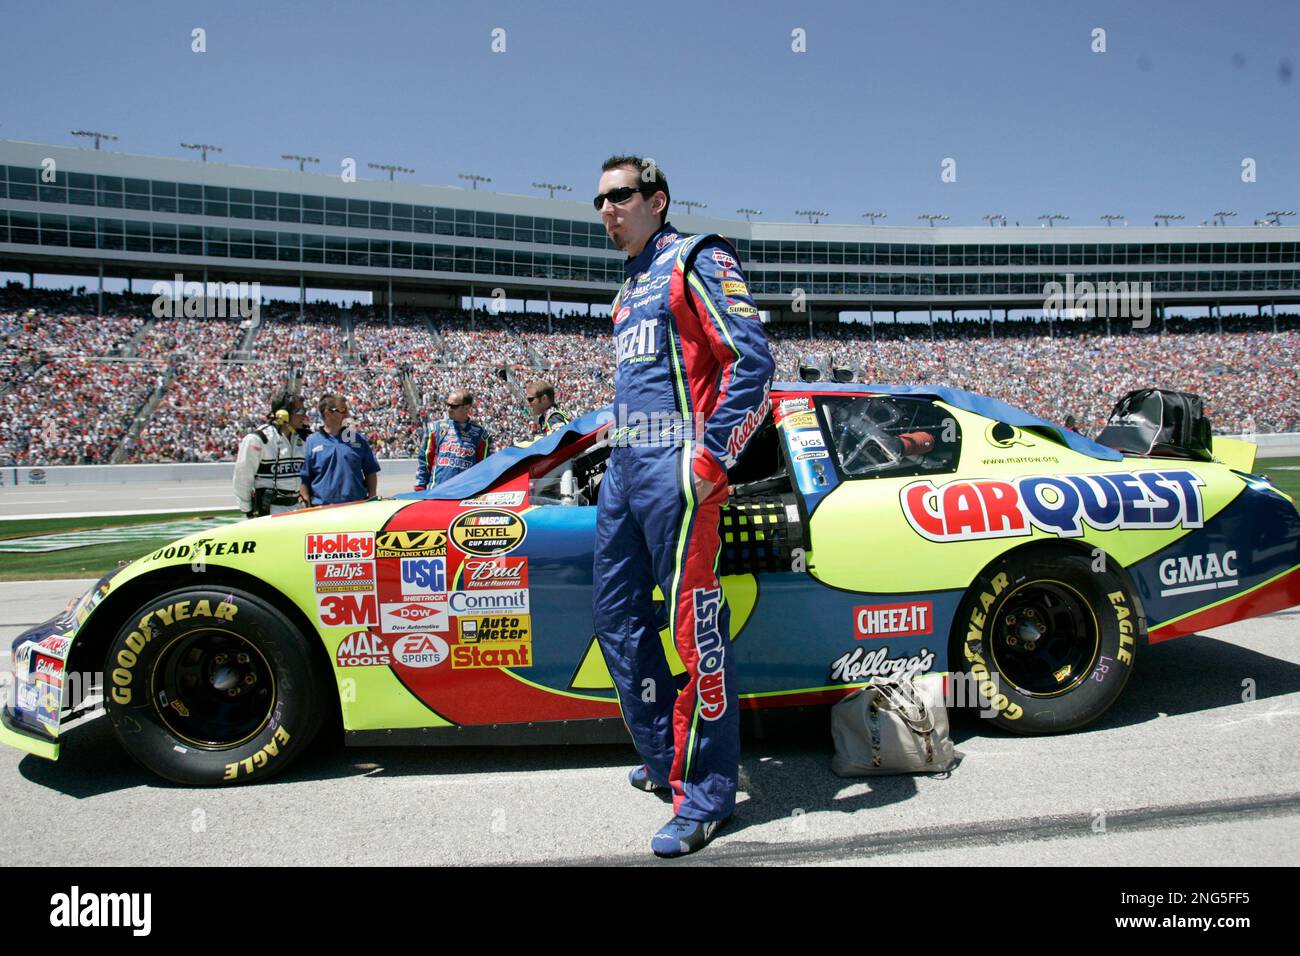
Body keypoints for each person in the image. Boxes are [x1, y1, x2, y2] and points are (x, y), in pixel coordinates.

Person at [590, 155, 775, 857]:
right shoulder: (627, 284)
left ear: (657, 200)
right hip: (626, 473)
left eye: (621, 196)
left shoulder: (697, 258)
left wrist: (712, 456)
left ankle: (707, 793)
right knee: (616, 619)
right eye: (600, 200)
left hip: (678, 470)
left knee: (695, 631)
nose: (607, 209)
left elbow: (752, 362)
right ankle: (669, 756)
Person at [232, 390, 308, 518]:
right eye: (299, 412)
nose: (304, 416)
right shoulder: (258, 439)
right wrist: (249, 511)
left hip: (296, 509)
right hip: (268, 512)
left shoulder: (302, 438)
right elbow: (242, 478)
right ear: (282, 414)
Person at [299, 393, 380, 506]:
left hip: (356, 508)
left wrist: (372, 497)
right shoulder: (311, 442)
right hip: (322, 511)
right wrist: (306, 505)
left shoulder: (357, 440)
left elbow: (370, 471)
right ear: (327, 413)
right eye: (342, 410)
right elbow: (303, 479)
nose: (347, 414)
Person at [414, 388, 492, 490]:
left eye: (454, 406)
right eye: (448, 404)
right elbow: (424, 460)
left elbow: (484, 467)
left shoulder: (481, 435)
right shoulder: (436, 429)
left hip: (465, 494)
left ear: (467, 407)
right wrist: (420, 487)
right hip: (437, 492)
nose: (449, 409)